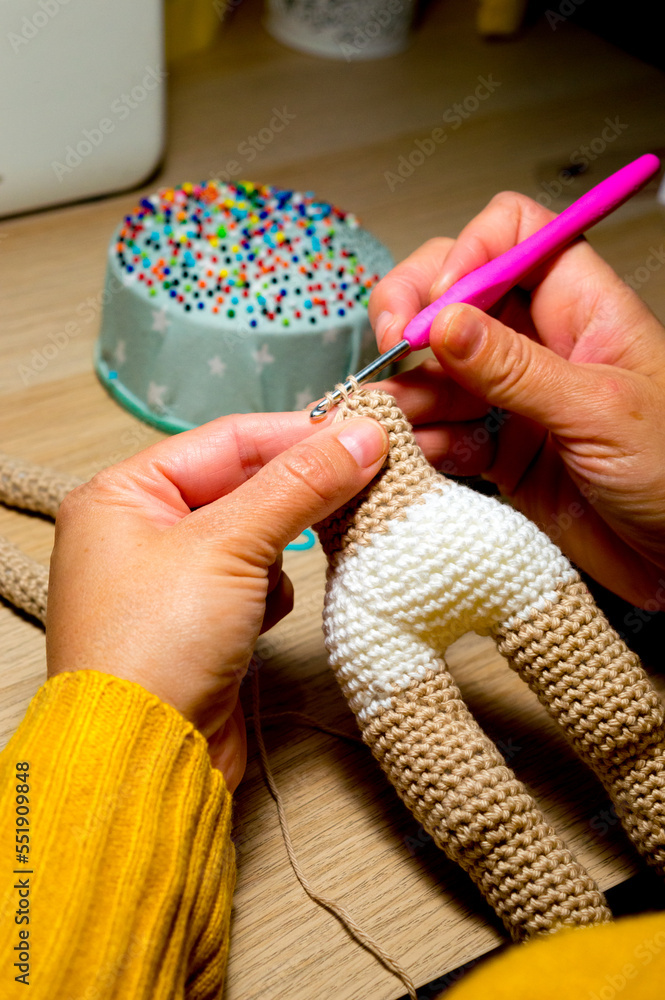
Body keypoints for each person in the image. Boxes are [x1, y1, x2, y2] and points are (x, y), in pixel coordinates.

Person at [1, 188, 664, 998]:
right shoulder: (440, 555)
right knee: (592, 755)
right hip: (470, 564)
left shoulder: (358, 609)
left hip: (395, 604)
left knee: (504, 807)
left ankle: (568, 934)